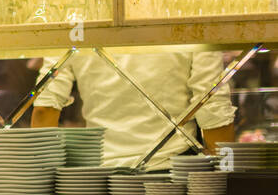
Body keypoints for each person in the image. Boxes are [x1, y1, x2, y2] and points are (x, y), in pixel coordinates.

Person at [30, 51, 236, 169]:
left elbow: (45, 107)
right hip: (171, 172)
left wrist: (40, 183)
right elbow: (212, 104)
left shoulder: (75, 16)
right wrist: (226, 176)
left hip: (97, 177)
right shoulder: (190, 11)